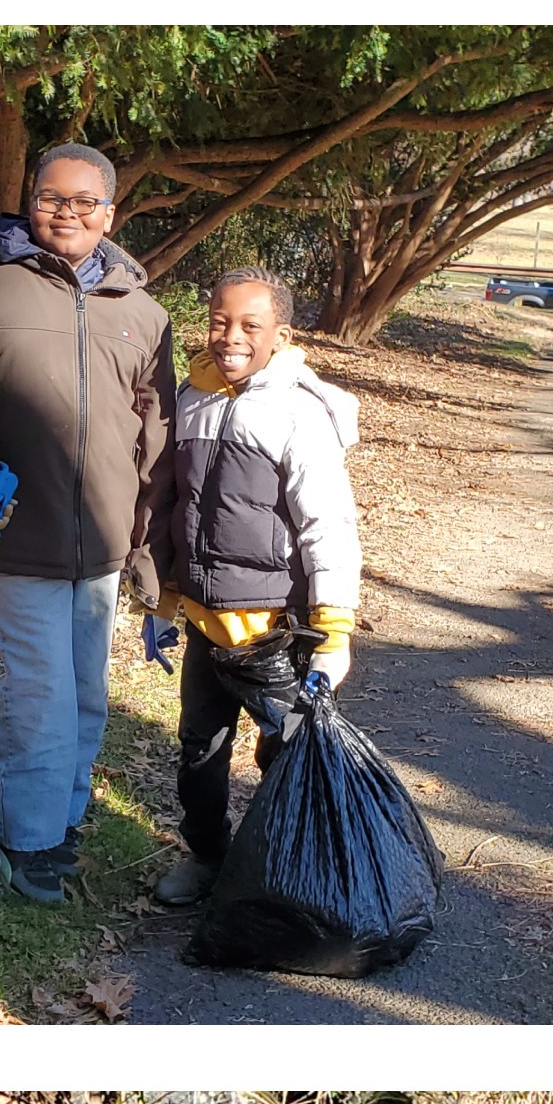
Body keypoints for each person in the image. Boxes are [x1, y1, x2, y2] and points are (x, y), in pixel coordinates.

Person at [0, 144, 176, 907]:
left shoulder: (143, 314)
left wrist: (149, 553)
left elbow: (155, 443)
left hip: (102, 545)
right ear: (30, 203)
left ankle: (62, 821)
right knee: (41, 690)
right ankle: (24, 841)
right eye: (52, 199)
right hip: (14, 530)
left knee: (87, 694)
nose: (68, 213)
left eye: (85, 202)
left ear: (110, 215)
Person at [144, 267, 362, 905]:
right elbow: (172, 508)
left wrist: (335, 632)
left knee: (288, 754)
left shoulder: (297, 413)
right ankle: (208, 856)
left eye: (250, 325)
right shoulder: (191, 400)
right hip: (207, 628)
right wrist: (162, 600)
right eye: (219, 321)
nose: (230, 336)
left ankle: (284, 873)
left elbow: (328, 524)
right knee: (199, 754)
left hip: (278, 633)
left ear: (280, 335)